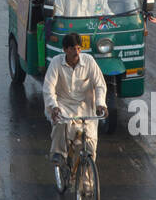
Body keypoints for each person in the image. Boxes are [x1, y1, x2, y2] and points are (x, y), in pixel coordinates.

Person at [44, 32, 108, 168]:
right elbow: (48, 88)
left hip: (85, 107)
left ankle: (88, 187)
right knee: (60, 123)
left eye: (79, 48)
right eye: (73, 49)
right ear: (65, 50)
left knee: (89, 148)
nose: (76, 52)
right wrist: (53, 106)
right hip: (64, 105)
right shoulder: (56, 62)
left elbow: (100, 85)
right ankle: (58, 153)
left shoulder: (89, 61)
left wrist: (101, 104)